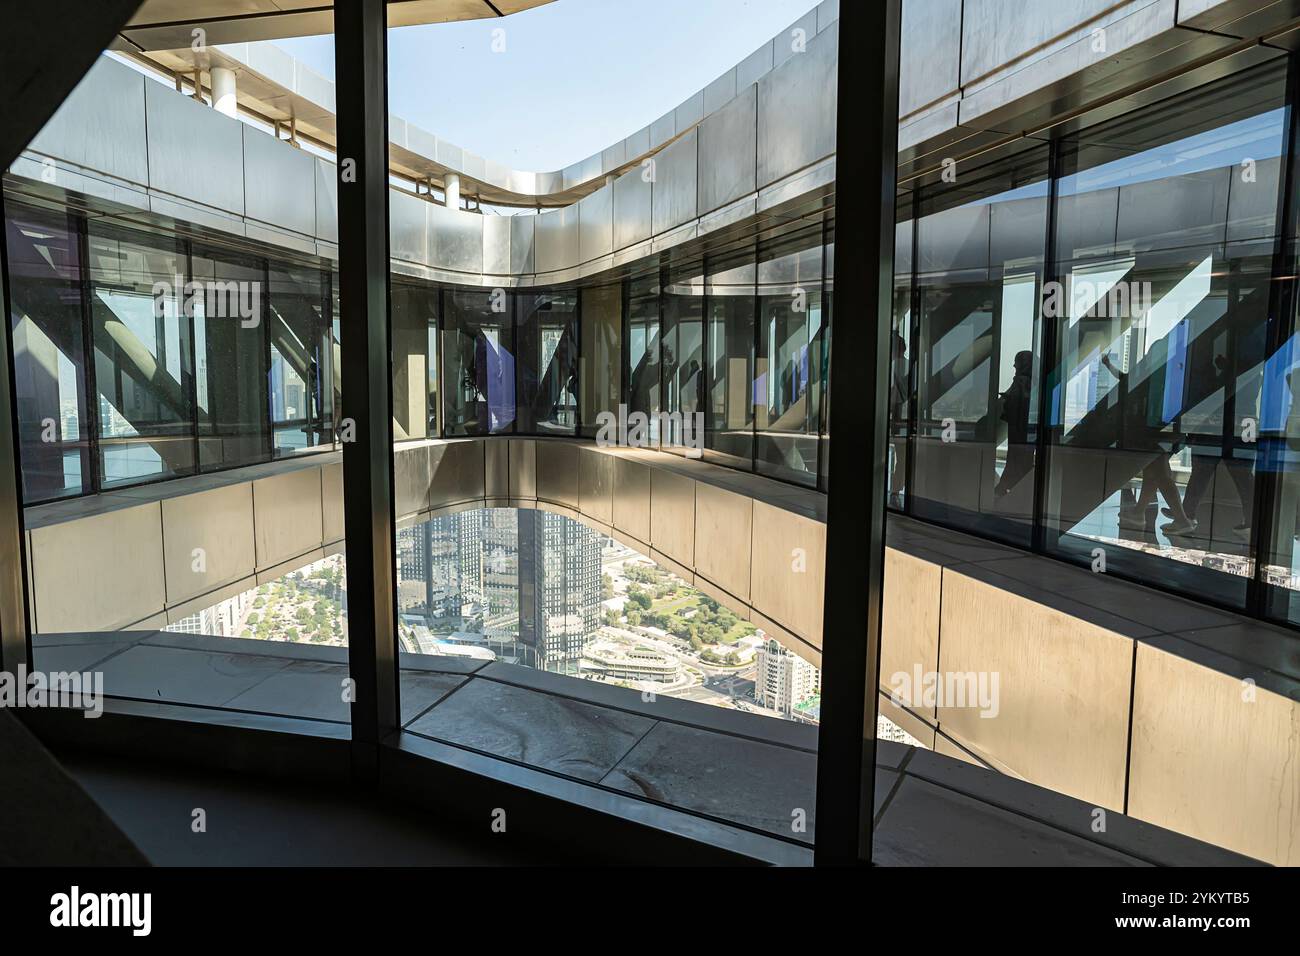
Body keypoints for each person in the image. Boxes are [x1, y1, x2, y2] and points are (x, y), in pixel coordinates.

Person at [1102, 352, 1197, 536]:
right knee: (1153, 472)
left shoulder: (1154, 378)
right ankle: (1139, 512)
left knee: (1160, 474)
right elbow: (1125, 378)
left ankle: (1182, 520)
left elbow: (1125, 379)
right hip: (1162, 432)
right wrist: (1108, 365)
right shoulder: (1166, 376)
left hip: (1154, 432)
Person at [995, 350, 1035, 498]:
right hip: (1026, 433)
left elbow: (1015, 406)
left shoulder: (1020, 382)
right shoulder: (1033, 383)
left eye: (1016, 363)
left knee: (1014, 460)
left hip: (1017, 432)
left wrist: (1007, 400)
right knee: (1024, 460)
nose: (1014, 366)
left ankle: (1005, 488)